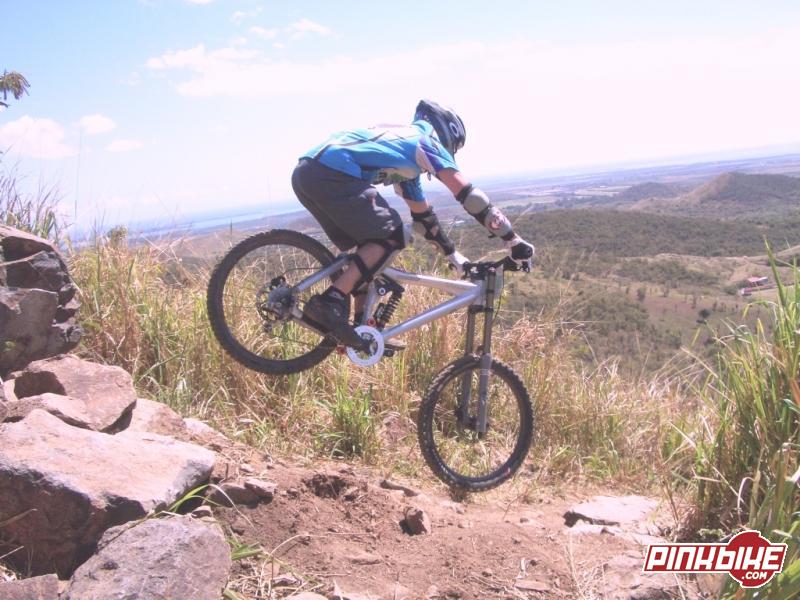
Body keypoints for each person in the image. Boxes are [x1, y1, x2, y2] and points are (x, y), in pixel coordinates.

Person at [292, 99, 534, 347]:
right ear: (447, 134)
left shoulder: (404, 158)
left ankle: (358, 330)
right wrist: (512, 240)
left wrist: (453, 257)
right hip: (331, 173)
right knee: (393, 235)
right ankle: (330, 302)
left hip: (307, 173)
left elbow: (424, 221)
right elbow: (469, 195)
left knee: (368, 253)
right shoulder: (425, 141)